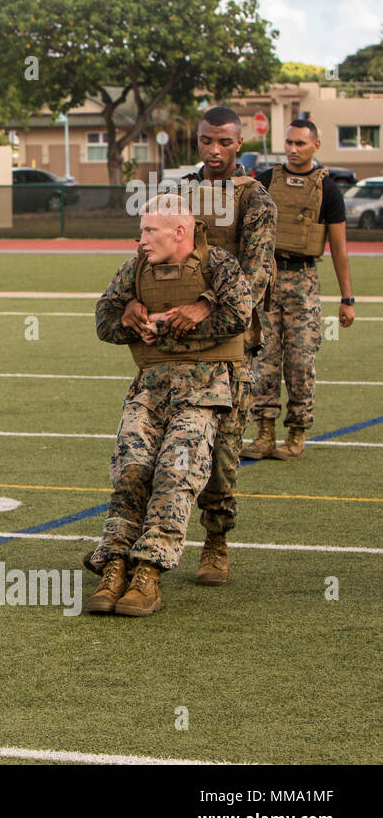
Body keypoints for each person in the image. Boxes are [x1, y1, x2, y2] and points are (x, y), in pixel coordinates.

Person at [120, 106, 275, 586]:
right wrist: (131, 303)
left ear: (239, 145)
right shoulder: (176, 195)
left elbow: (257, 275)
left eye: (225, 142)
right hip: (168, 349)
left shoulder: (256, 200)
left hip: (228, 348)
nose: (214, 150)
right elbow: (144, 256)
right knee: (152, 452)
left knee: (223, 453)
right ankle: (139, 548)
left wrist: (207, 304)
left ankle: (216, 539)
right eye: (207, 140)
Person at [86, 195, 253, 616]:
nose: (140, 239)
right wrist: (127, 314)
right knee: (131, 469)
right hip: (150, 389)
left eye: (149, 231)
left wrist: (198, 311)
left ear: (179, 232)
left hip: (206, 390)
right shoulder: (136, 269)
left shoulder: (218, 265)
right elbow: (103, 320)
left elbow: (241, 316)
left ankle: (150, 570)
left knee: (177, 472)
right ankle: (116, 562)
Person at [241, 118, 355, 460]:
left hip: (304, 282)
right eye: (289, 142)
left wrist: (347, 299)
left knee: (301, 362)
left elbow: (339, 248)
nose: (293, 149)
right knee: (264, 360)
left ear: (315, 146)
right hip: (267, 281)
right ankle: (263, 433)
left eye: (301, 144)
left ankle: (296, 434)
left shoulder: (329, 190)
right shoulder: (264, 181)